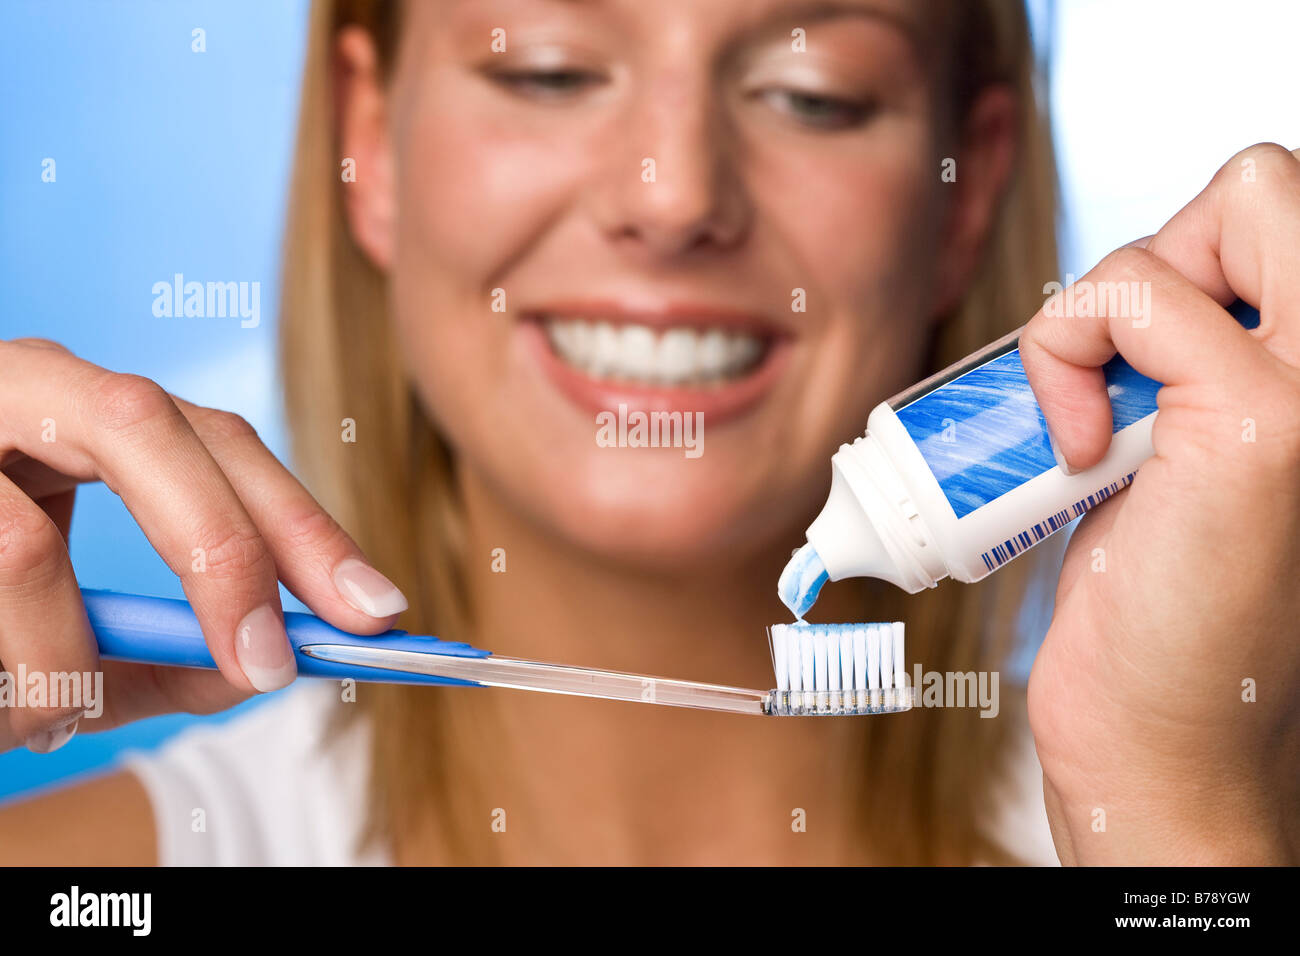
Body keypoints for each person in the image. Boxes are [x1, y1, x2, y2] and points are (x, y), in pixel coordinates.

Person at [0, 0, 1295, 865]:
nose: (672, 195)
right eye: (547, 70)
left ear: (968, 190)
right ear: (370, 143)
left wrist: (1176, 813)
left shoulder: (1196, 822)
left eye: (814, 92)